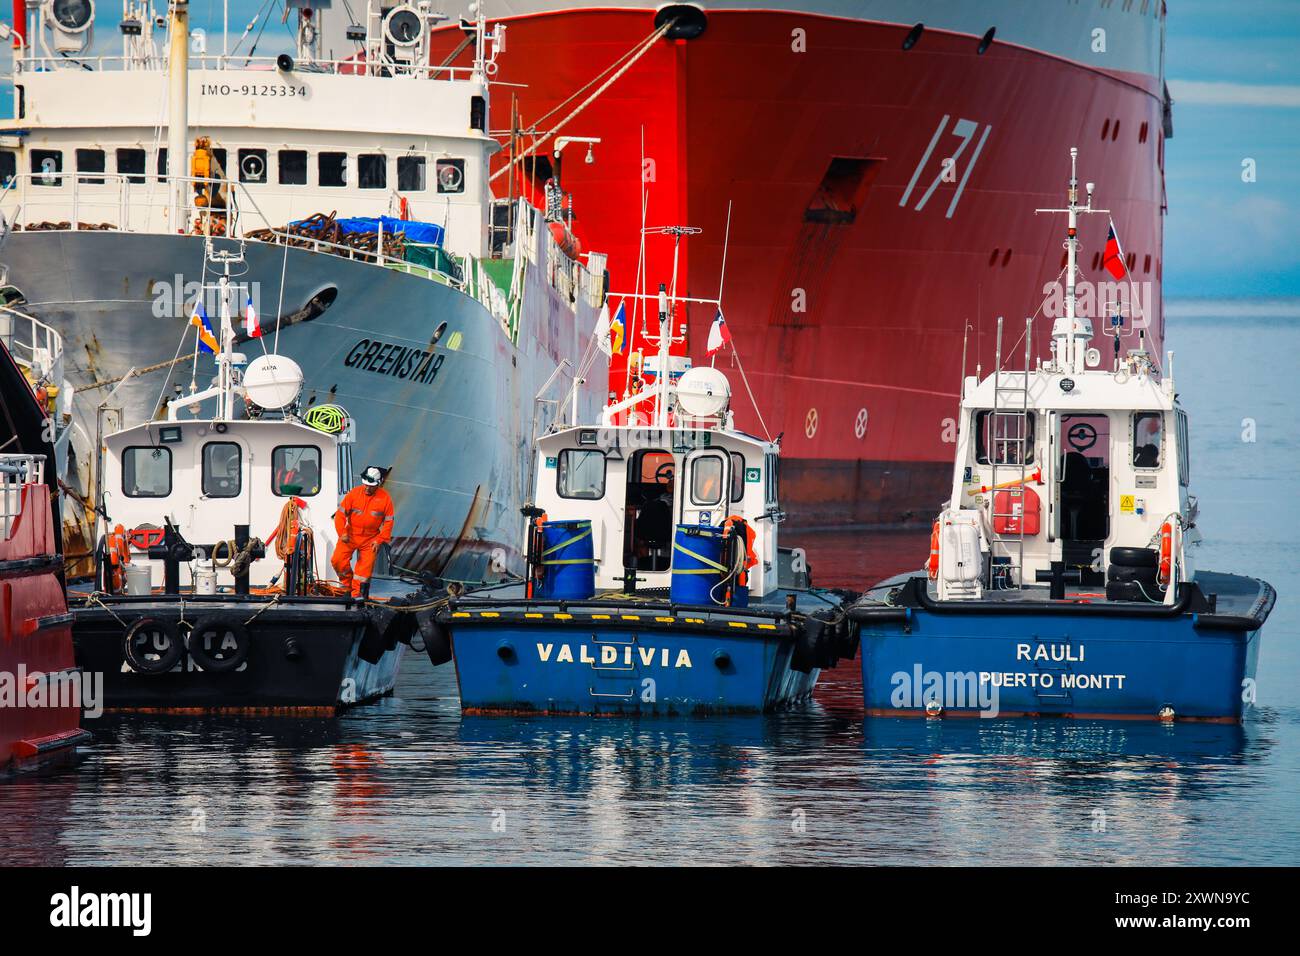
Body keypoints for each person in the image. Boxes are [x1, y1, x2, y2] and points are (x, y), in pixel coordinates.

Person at [331, 466, 394, 597]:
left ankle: (356, 595)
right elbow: (340, 515)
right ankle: (347, 584)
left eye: (370, 486)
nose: (367, 488)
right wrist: (342, 532)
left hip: (371, 539)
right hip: (350, 535)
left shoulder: (385, 499)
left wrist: (379, 540)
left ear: (378, 485)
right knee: (337, 560)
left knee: (363, 572)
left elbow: (388, 522)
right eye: (365, 485)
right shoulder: (353, 494)